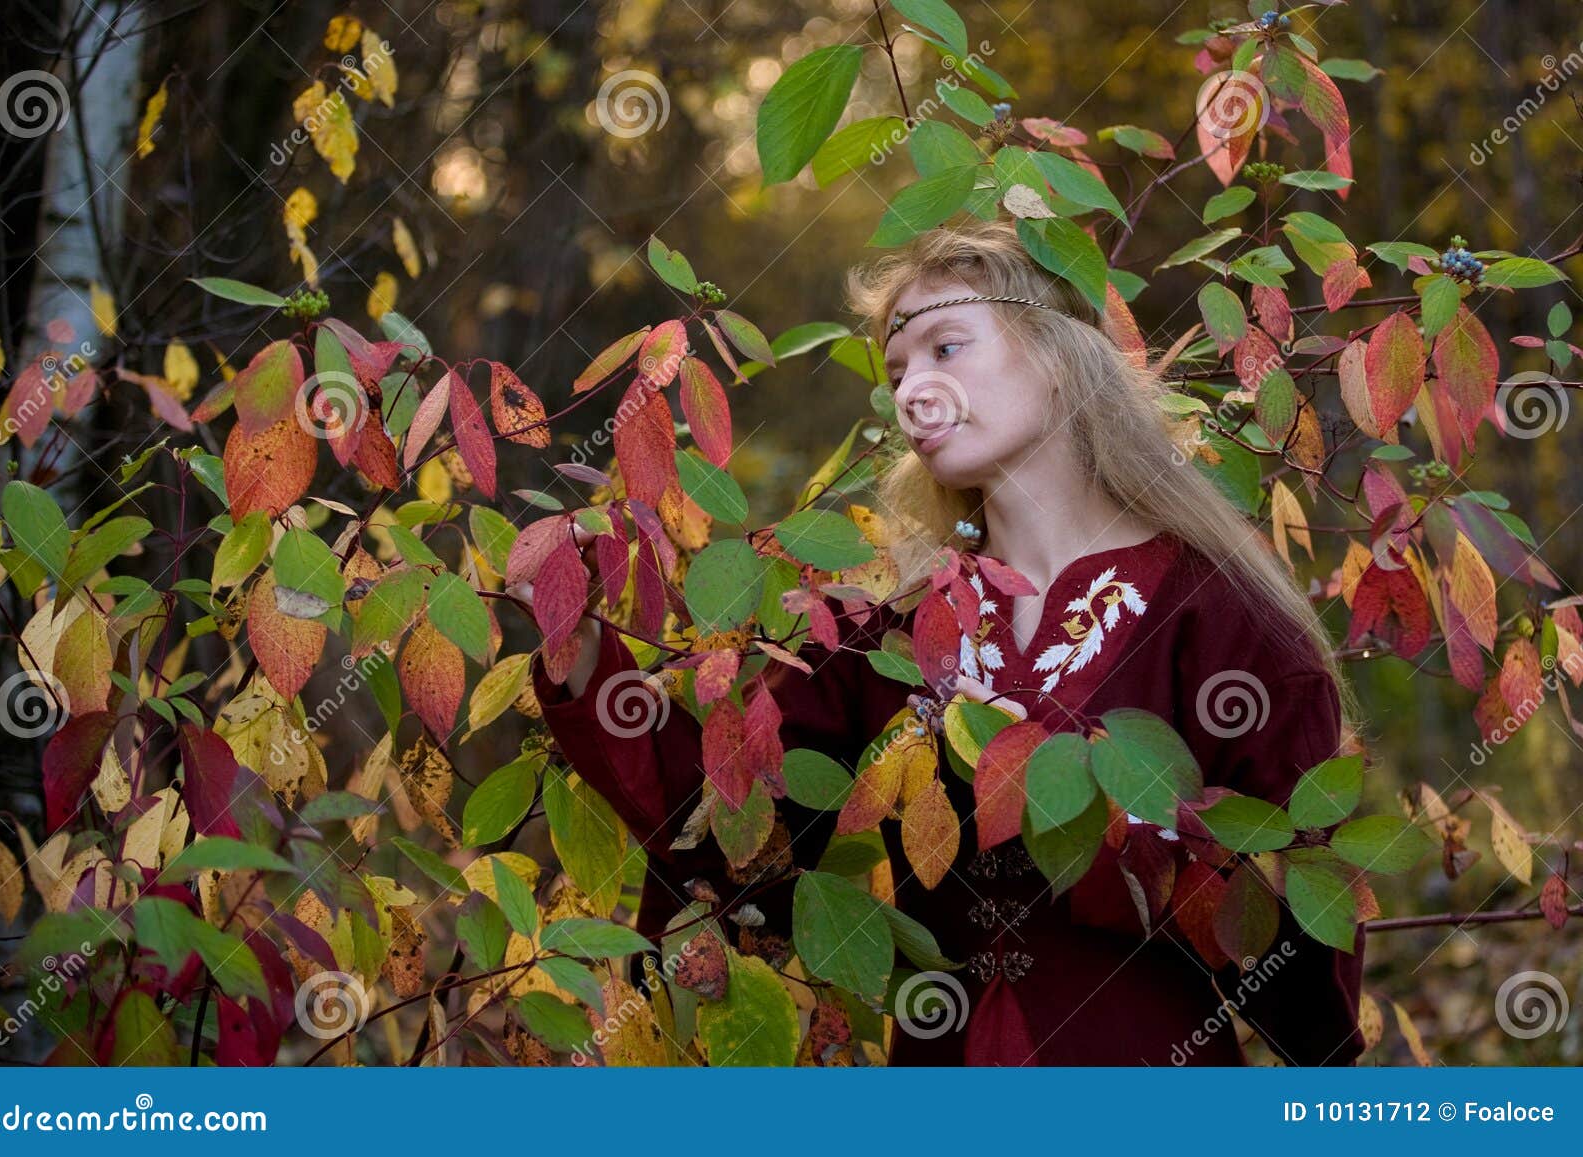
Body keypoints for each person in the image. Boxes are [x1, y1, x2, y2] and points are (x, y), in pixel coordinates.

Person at [511, 217, 1366, 1066]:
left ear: (1057, 353)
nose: (913, 392)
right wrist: (578, 647)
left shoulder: (1220, 609)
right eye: (897, 372)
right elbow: (727, 832)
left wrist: (1093, 810)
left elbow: (1299, 954)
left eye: (946, 349)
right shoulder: (893, 631)